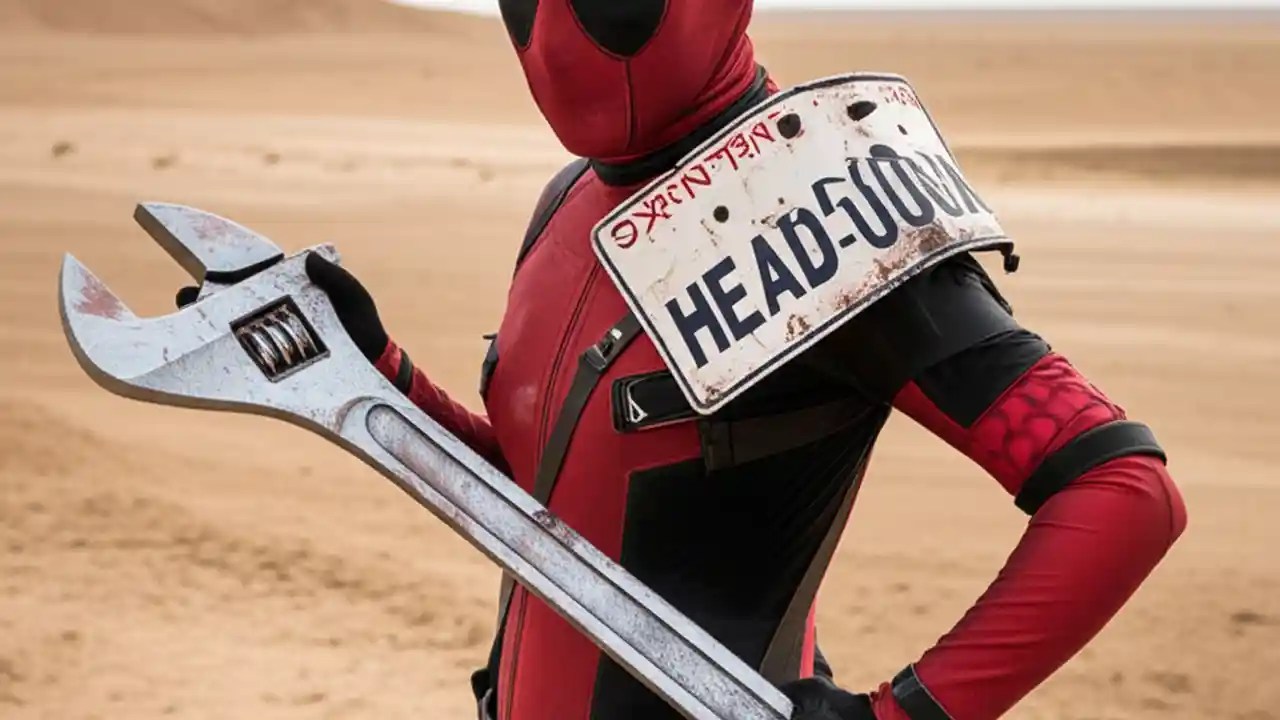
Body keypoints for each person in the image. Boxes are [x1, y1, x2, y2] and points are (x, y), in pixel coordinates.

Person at [300, 2, 1187, 718]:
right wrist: (378, 372)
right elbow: (550, 505)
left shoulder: (828, 206)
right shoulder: (572, 204)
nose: (555, 26)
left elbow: (1124, 494)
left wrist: (901, 715)